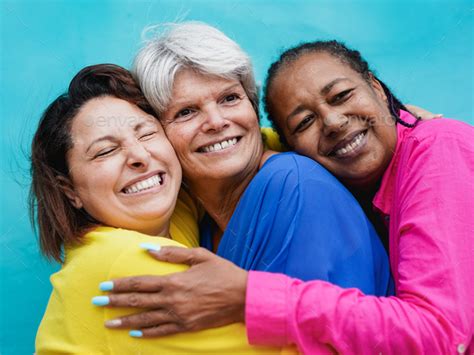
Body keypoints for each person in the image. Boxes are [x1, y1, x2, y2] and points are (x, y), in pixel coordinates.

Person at [99, 38, 473, 353]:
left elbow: (442, 334)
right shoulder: (192, 216)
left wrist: (248, 298)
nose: (334, 122)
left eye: (230, 98)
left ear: (377, 88)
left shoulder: (437, 149)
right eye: (185, 112)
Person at [31, 64, 286, 354]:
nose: (140, 156)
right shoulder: (127, 263)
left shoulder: (172, 213)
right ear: (70, 191)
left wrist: (290, 137)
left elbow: (233, 146)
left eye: (147, 134)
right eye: (105, 151)